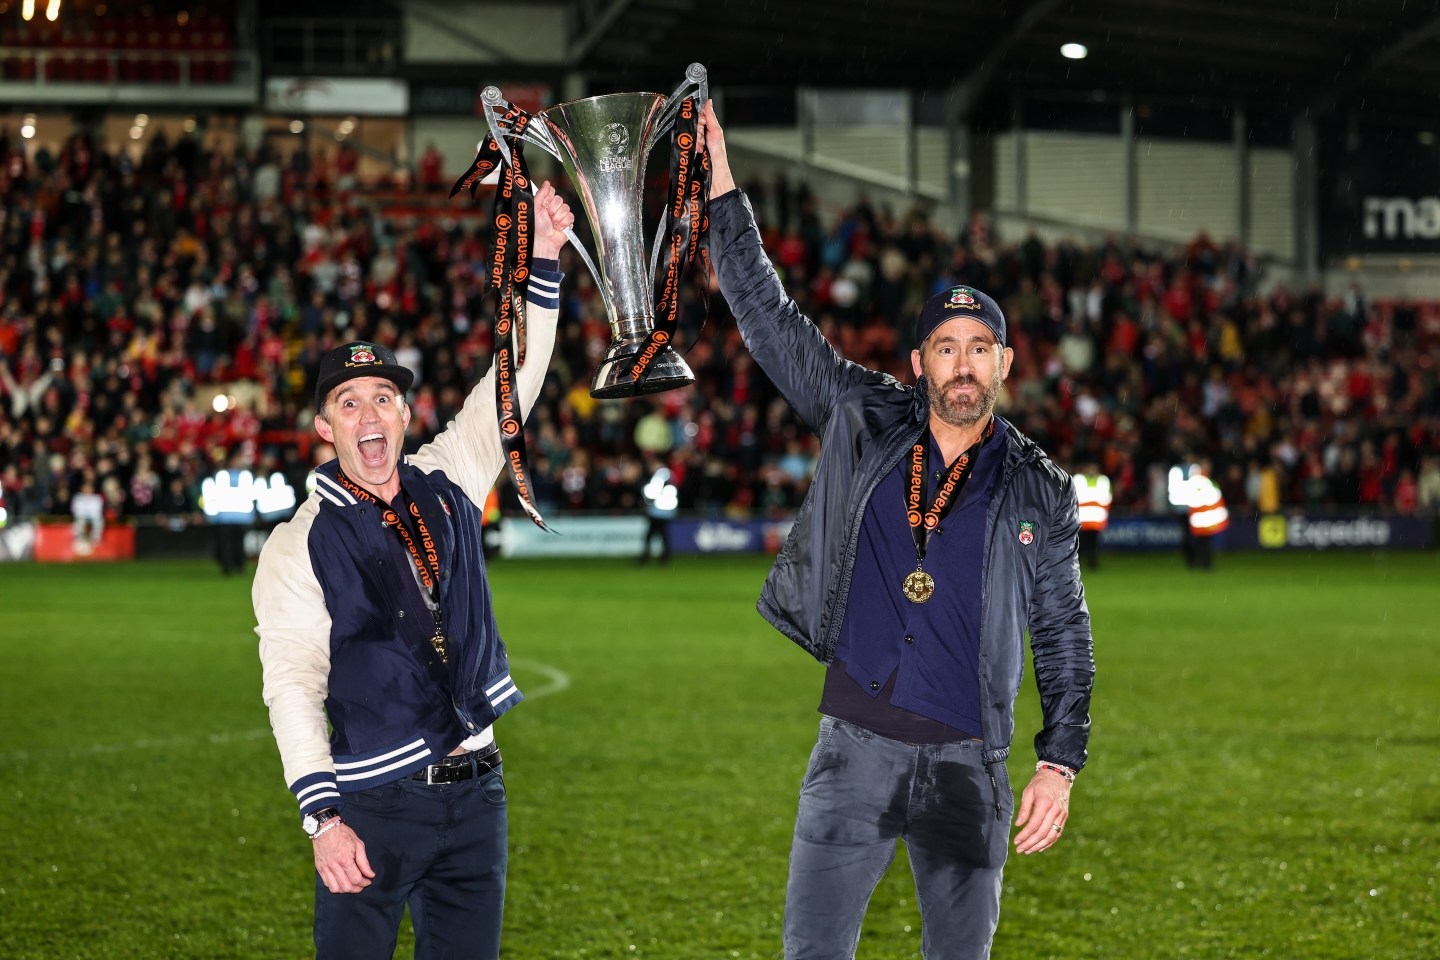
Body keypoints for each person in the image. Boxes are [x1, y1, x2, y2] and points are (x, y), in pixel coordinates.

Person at [702, 102, 1095, 960]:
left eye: (980, 346)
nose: (963, 362)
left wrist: (1059, 763)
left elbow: (1064, 633)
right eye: (945, 346)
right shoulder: (860, 416)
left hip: (969, 766)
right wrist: (720, 183)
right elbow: (768, 319)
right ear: (918, 363)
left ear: (1004, 364)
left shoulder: (1040, 490)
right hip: (853, 752)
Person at [252, 182, 575, 960]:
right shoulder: (298, 544)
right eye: (350, 402)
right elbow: (292, 681)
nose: (370, 416)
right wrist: (322, 818)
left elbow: (512, 385)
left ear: (405, 411)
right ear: (325, 426)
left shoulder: (449, 476)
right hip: (372, 802)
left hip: (480, 794)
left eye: (384, 398)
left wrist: (543, 261)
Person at [1072, 461, 1111, 571]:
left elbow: (1106, 499)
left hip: (1096, 519)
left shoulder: (1103, 481)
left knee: (1093, 543)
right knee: (1080, 543)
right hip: (1082, 519)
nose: (1091, 470)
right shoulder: (1079, 479)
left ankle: (1092, 563)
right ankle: (1078, 563)